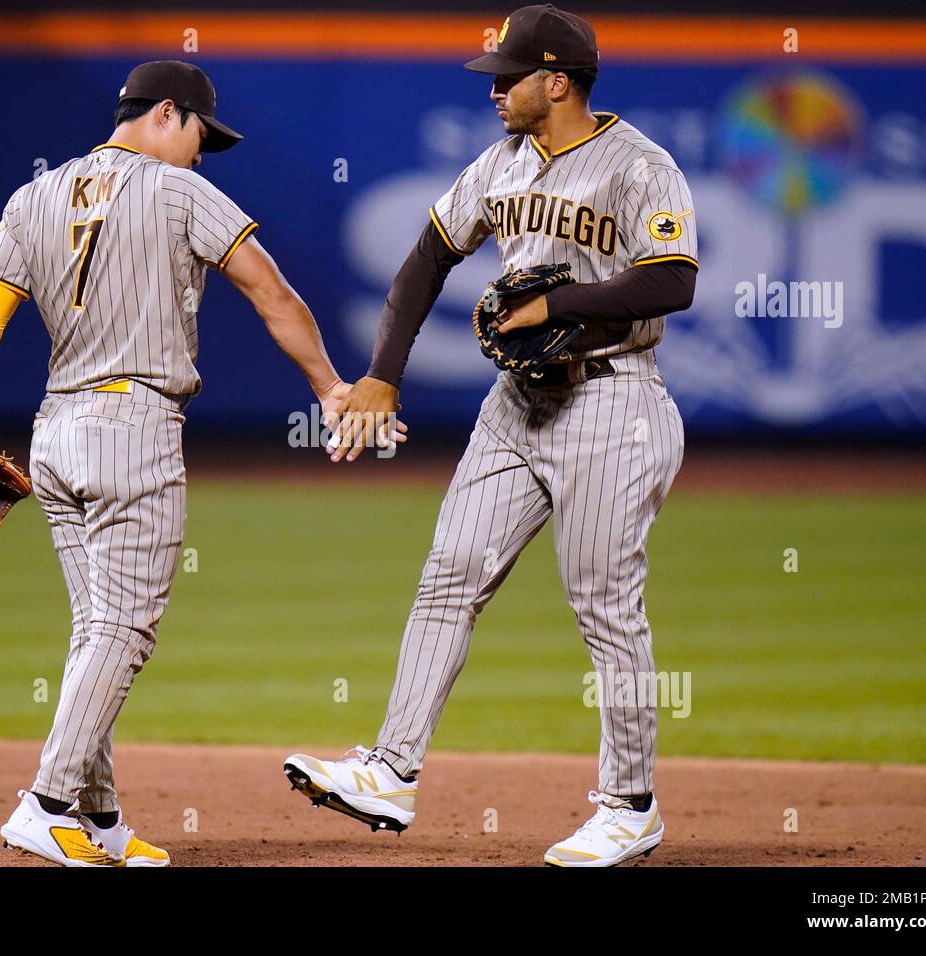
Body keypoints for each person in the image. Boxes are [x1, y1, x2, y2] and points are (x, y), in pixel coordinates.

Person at [284, 5, 697, 867]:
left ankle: (631, 807)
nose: (495, 89)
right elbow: (426, 259)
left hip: (614, 403)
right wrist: (382, 375)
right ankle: (391, 769)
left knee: (603, 606)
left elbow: (672, 281)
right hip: (516, 406)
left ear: (559, 81)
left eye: (509, 76)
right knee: (449, 574)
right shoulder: (497, 165)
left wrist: (560, 304)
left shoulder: (638, 166)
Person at [0, 60, 380, 866]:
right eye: (200, 138)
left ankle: (98, 819)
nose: (202, 156)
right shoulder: (179, 193)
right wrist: (329, 386)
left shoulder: (31, 197)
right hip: (132, 429)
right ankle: (43, 805)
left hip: (56, 436)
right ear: (167, 114)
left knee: (94, 634)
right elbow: (272, 291)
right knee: (123, 629)